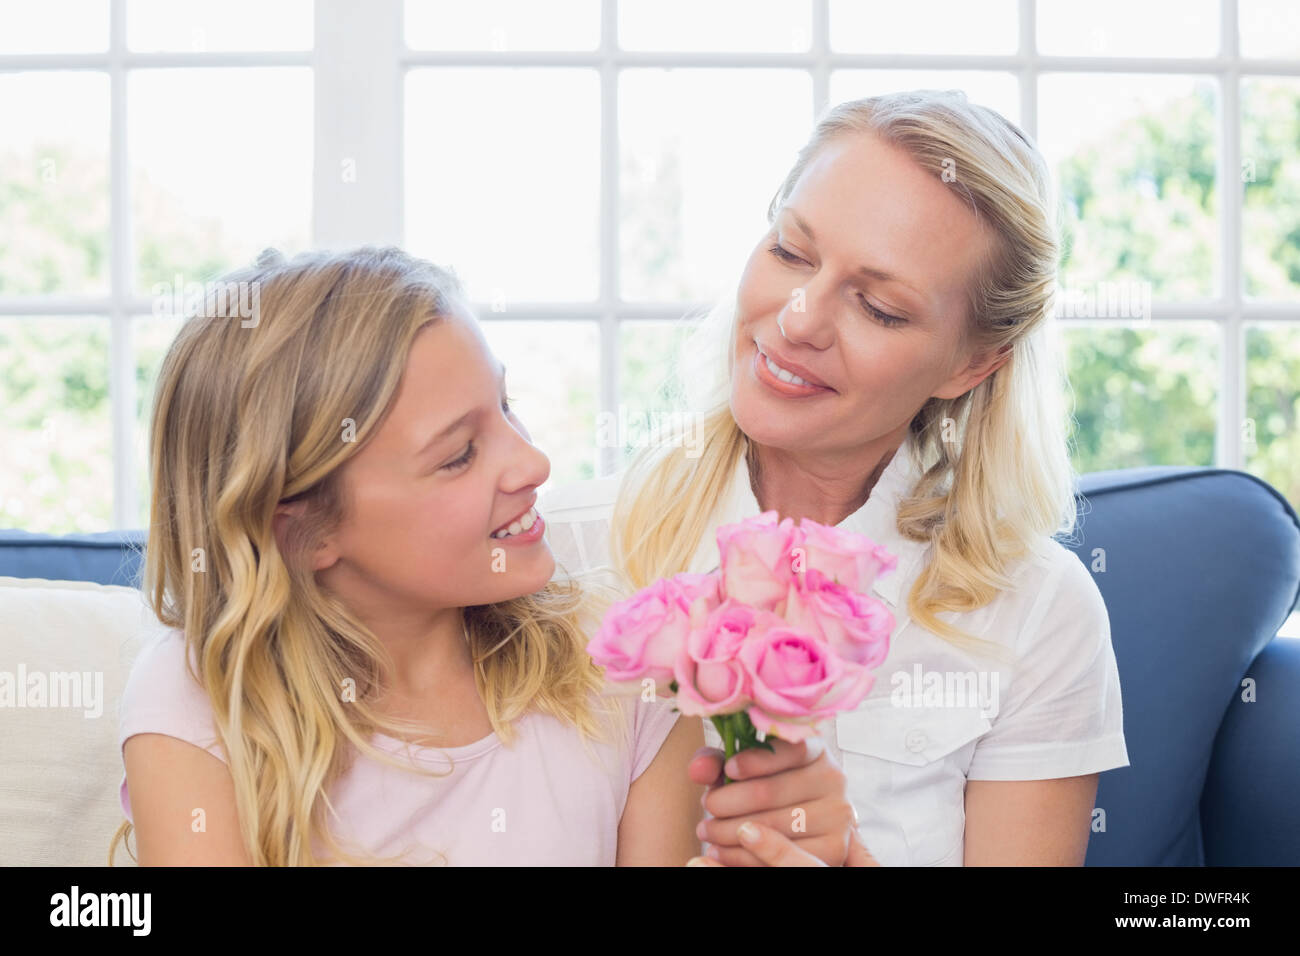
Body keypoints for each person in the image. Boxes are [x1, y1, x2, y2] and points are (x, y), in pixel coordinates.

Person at [542, 90, 1130, 867]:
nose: (797, 319)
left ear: (972, 363)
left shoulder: (1036, 613)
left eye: (880, 307)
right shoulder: (563, 553)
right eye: (791, 252)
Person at [113, 246, 736, 865]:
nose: (534, 463)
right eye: (459, 454)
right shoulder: (202, 698)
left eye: (506, 407)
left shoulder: (625, 669)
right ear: (302, 533)